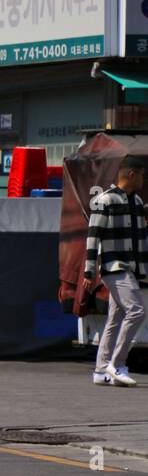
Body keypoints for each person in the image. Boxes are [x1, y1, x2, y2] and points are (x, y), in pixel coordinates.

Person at [84, 155, 148, 387]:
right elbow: (93, 237)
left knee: (116, 318)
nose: (143, 179)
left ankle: (101, 370)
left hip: (130, 269)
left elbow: (140, 238)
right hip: (114, 267)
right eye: (142, 175)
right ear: (131, 174)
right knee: (137, 312)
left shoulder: (137, 202)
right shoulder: (105, 200)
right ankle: (118, 364)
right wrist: (88, 271)